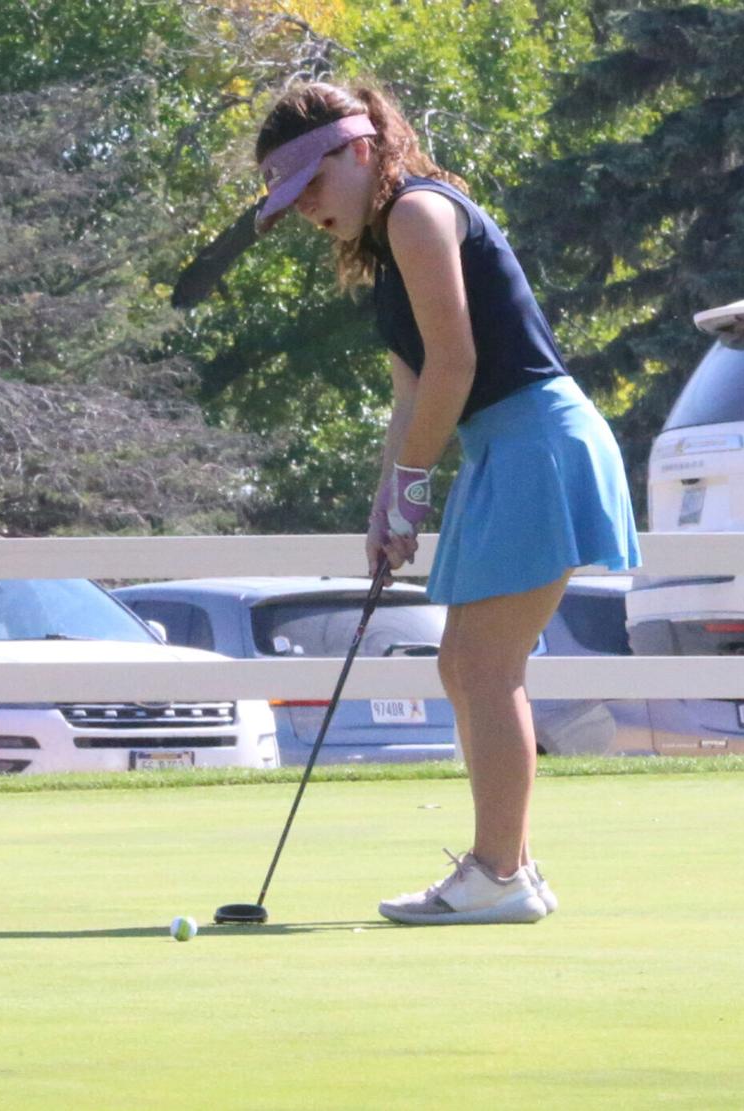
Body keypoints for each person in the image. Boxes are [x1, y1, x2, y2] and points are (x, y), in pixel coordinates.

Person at [253, 80, 640, 925]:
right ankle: (513, 869)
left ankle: (497, 872)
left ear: (359, 149)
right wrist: (386, 499)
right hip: (506, 450)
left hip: (538, 442)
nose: (308, 211)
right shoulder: (389, 254)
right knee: (464, 663)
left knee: (482, 666)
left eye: (311, 186)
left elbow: (457, 365)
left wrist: (415, 483)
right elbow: (413, 391)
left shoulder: (418, 214)